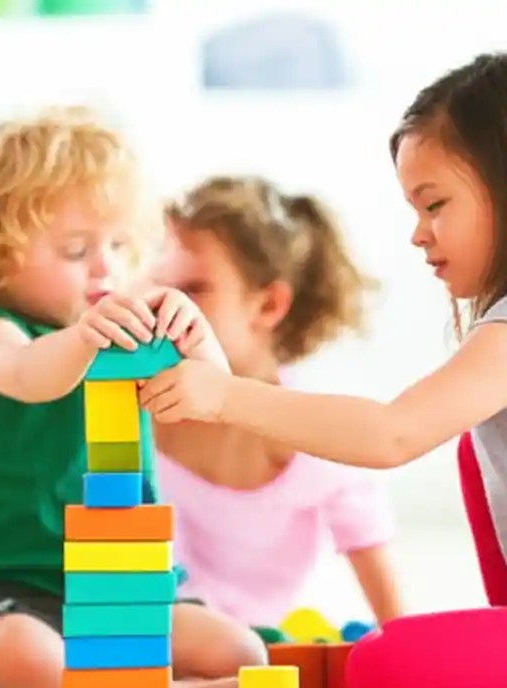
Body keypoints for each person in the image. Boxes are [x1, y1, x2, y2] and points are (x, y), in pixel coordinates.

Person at [139, 49, 507, 688]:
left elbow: (392, 433)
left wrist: (223, 395)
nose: (418, 234)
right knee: (405, 631)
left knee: (385, 662)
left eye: (434, 204)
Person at [0, 106, 267, 688]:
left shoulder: (126, 339)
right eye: (76, 249)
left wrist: (197, 338)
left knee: (242, 650)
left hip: (128, 588)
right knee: (22, 655)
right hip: (12, 594)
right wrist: (84, 338)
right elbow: (27, 377)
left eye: (119, 246)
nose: (105, 267)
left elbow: (212, 401)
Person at [156, 177, 402, 633]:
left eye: (193, 289)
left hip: (250, 650)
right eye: (159, 286)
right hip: (143, 637)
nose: (167, 308)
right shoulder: (133, 407)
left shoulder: (312, 436)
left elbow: (390, 602)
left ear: (268, 305)